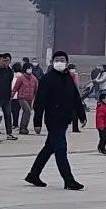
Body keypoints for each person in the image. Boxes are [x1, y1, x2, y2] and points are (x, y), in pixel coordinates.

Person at [26, 49, 86, 190]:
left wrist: (81, 115)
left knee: (49, 148)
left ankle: (33, 175)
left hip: (65, 118)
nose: (60, 62)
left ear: (67, 62)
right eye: (57, 60)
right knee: (61, 149)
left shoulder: (68, 78)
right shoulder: (47, 79)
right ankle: (69, 180)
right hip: (53, 119)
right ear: (52, 62)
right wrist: (37, 122)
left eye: (62, 60)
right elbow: (39, 102)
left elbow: (75, 97)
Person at [12, 59, 37, 134]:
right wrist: (12, 95)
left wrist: (37, 98)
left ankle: (24, 127)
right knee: (28, 111)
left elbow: (36, 89)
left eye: (31, 68)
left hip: (30, 98)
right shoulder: (21, 78)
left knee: (27, 112)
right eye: (28, 68)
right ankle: (22, 127)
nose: (30, 70)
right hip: (22, 97)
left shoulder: (34, 79)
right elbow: (15, 88)